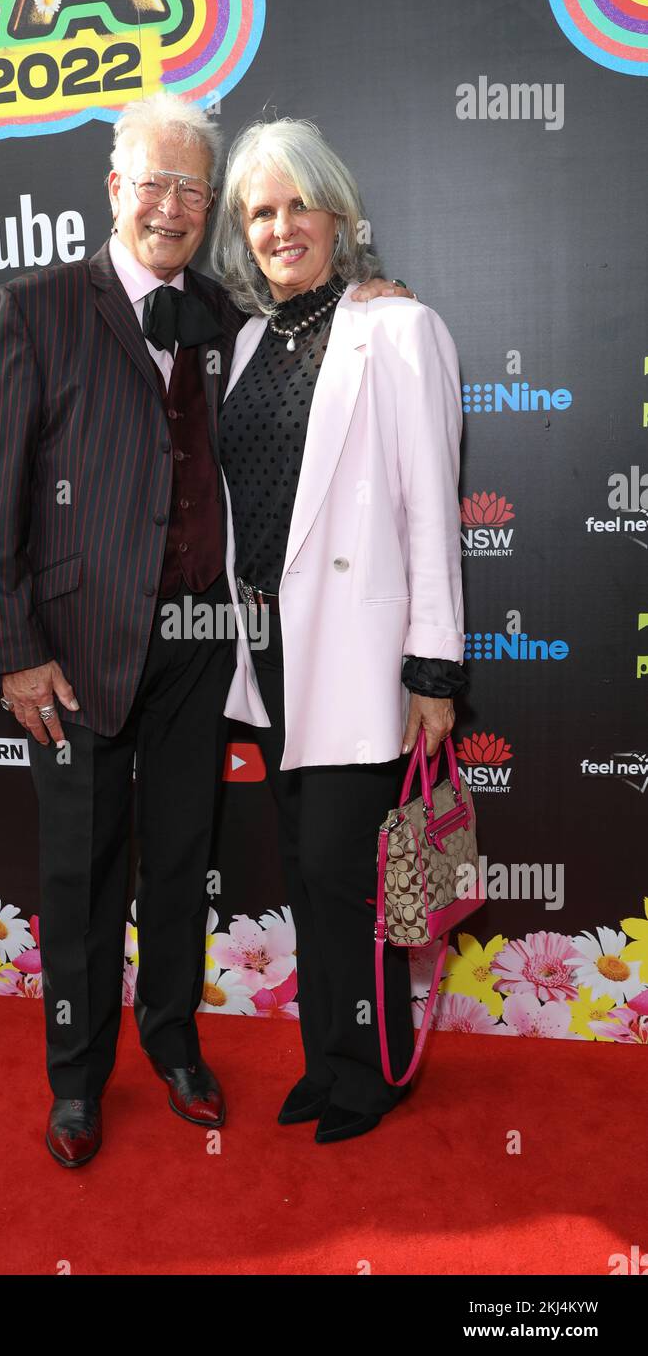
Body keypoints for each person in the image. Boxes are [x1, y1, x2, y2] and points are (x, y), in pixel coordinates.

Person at [0, 93, 415, 1168]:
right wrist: (15, 649)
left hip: (199, 646)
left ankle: (172, 1045)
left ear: (207, 208)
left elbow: (319, 340)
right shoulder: (34, 308)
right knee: (80, 875)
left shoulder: (223, 311)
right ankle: (76, 1081)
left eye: (190, 190)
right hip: (70, 654)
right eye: (151, 184)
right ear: (114, 189)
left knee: (177, 862)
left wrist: (371, 293)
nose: (170, 206)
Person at [210, 116, 467, 1143]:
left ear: (339, 213)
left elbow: (428, 511)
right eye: (258, 212)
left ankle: (370, 1068)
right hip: (268, 649)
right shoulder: (239, 345)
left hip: (361, 652)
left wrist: (432, 667)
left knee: (342, 870)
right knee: (304, 866)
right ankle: (326, 1058)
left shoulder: (399, 329)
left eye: (295, 206)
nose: (279, 228)